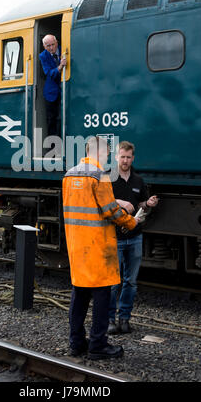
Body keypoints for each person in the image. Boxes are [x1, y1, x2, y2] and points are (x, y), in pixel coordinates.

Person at [62, 136, 139, 360]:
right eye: (106, 153)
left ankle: (76, 343)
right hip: (98, 249)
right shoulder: (100, 176)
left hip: (77, 247)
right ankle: (98, 345)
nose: (107, 157)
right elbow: (110, 211)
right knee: (102, 296)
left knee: (79, 295)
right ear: (99, 152)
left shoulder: (69, 175)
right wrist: (131, 222)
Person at [108, 141, 159, 334]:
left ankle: (124, 319)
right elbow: (99, 201)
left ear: (133, 158)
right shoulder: (108, 179)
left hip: (135, 237)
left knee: (130, 282)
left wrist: (149, 203)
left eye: (128, 157)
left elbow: (141, 205)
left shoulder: (138, 180)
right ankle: (109, 320)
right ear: (116, 157)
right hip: (115, 237)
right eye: (122, 156)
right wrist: (119, 202)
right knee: (113, 282)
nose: (125, 160)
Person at [39, 34, 67, 137]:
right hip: (51, 93)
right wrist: (60, 66)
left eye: (53, 45)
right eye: (48, 46)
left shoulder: (64, 50)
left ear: (57, 43)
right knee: (51, 121)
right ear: (44, 47)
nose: (51, 48)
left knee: (62, 118)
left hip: (65, 90)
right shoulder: (43, 56)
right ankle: (53, 150)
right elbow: (49, 74)